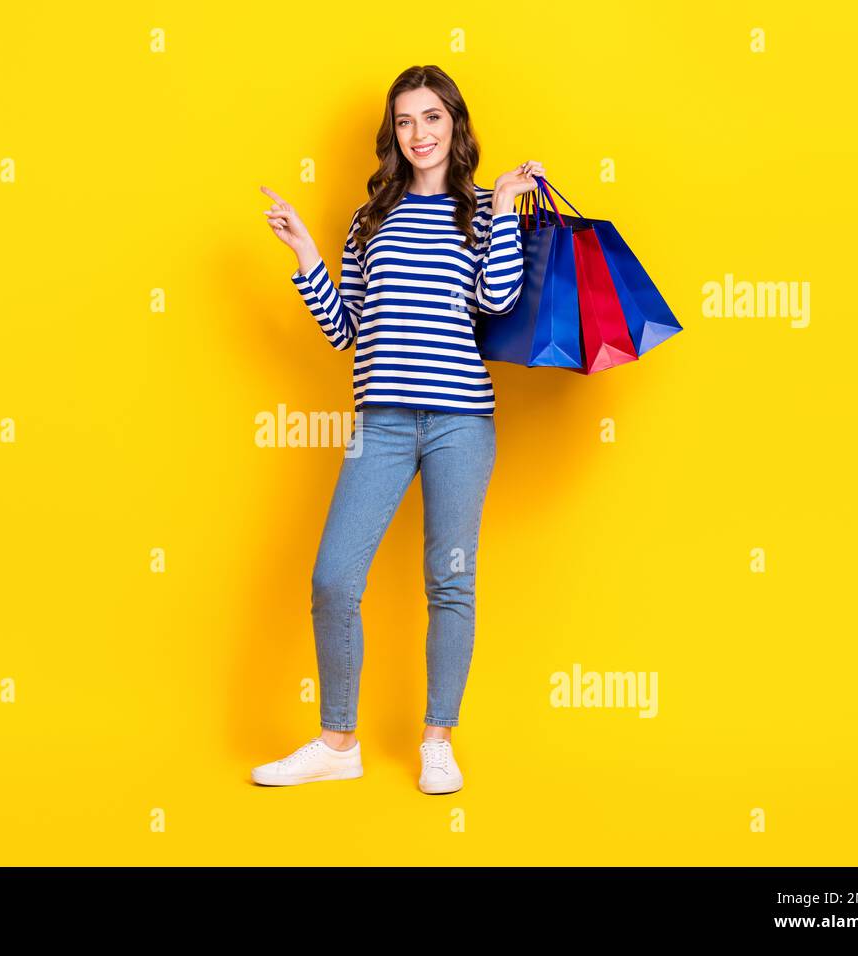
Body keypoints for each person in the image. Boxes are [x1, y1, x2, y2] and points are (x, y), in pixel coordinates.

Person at [255, 64, 543, 794]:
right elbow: (344, 329)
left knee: (450, 584)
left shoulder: (477, 212)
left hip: (459, 423)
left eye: (432, 118)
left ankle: (438, 740)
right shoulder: (367, 219)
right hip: (380, 421)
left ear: (455, 125)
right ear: (394, 133)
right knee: (332, 578)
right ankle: (338, 742)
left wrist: (505, 206)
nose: (419, 134)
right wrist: (306, 255)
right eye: (406, 121)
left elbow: (499, 297)